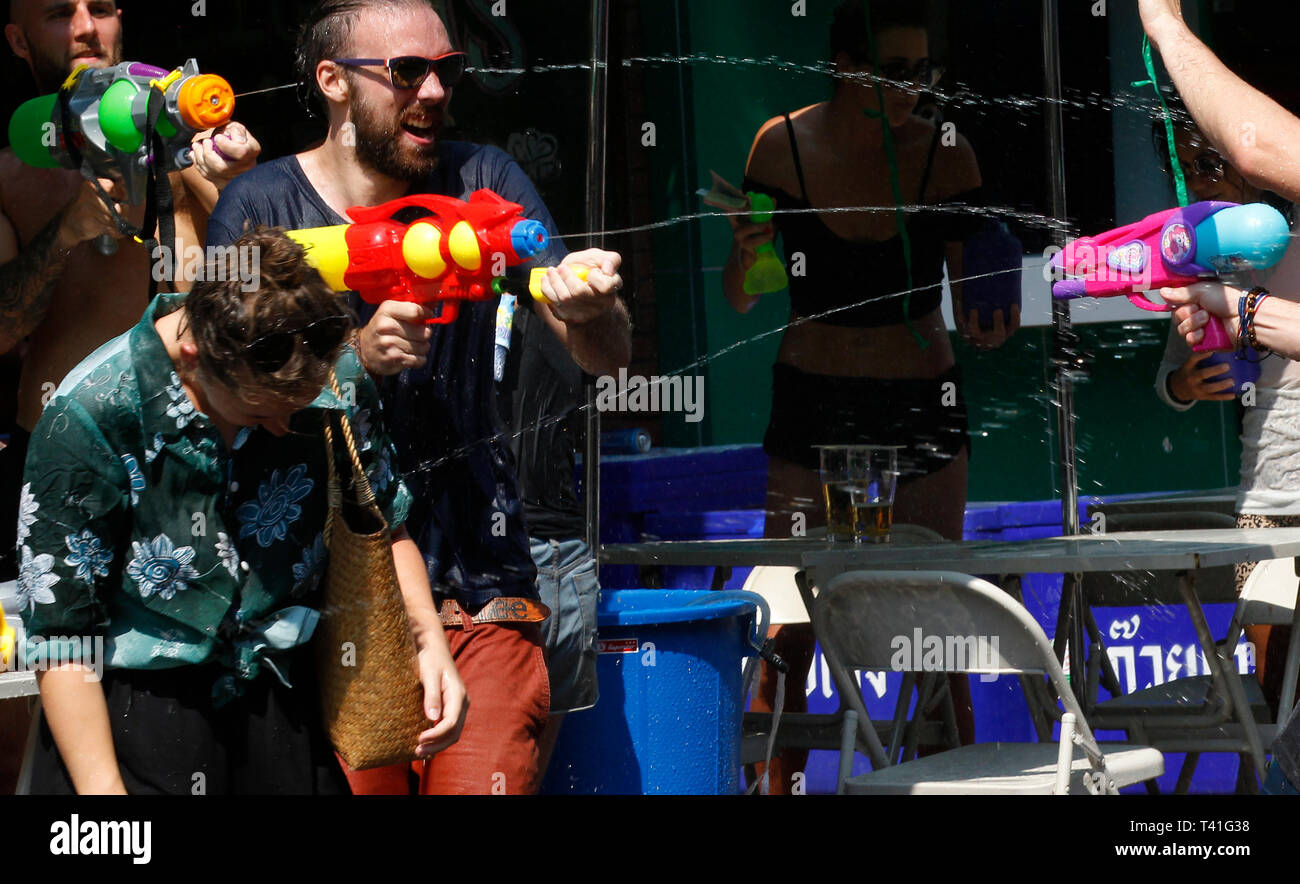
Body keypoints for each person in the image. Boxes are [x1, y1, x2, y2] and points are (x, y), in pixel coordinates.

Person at [206, 0, 630, 794]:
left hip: (481, 588)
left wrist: (595, 309)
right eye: (406, 72)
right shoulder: (258, 210)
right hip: (325, 606)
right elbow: (218, 398)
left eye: (448, 70)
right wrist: (352, 361)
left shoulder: (485, 178)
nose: (433, 91)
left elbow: (601, 355)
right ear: (333, 81)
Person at [17, 227, 465, 794]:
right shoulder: (89, 418)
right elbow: (63, 639)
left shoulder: (333, 381)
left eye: (297, 410)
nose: (285, 427)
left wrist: (429, 644)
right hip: (133, 717)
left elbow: (380, 516)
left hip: (281, 705)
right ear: (193, 355)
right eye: (259, 415)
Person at [721, 0, 1017, 792]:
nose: (912, 88)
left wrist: (996, 289)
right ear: (845, 65)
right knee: (789, 609)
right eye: (895, 70)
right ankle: (774, 784)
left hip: (922, 399)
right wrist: (749, 252)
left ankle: (954, 782)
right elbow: (745, 295)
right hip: (813, 402)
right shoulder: (779, 144)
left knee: (938, 609)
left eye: (924, 72)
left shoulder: (945, 150)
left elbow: (979, 301)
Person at [0, 0, 260, 795]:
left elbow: (253, 288)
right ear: (17, 41)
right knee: (18, 729)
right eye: (57, 14)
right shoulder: (10, 171)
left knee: (208, 708)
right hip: (53, 477)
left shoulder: (178, 143)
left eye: (103, 9)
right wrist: (68, 231)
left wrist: (235, 187)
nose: (87, 30)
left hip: (189, 467)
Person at [1139, 0, 1300, 795]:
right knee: (1271, 695)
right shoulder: (1214, 266)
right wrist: (1185, 382)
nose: (1207, 182)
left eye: (1217, 167)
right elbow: (1174, 379)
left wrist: (1238, 312)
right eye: (1193, 169)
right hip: (1267, 495)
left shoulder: (1286, 245)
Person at [496, 293, 605, 776]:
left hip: (544, 552)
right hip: (523, 556)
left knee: (519, 769)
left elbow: (612, 358)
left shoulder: (552, 287)